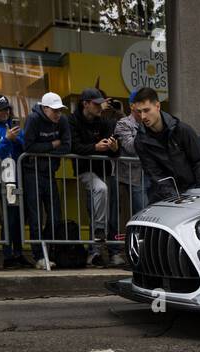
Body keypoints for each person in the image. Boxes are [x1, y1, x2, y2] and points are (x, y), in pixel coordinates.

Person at [71, 87, 124, 266]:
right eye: (96, 104)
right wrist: (95, 147)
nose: (100, 107)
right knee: (99, 192)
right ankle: (97, 240)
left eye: (101, 103)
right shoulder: (72, 120)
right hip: (86, 170)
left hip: (105, 171)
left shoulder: (105, 121)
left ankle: (102, 251)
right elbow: (74, 147)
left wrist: (114, 148)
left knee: (110, 210)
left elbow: (115, 152)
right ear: (85, 104)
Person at [130, 87, 200, 202]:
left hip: (192, 191)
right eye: (139, 111)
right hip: (162, 196)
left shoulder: (183, 130)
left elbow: (199, 163)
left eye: (146, 110)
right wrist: (175, 199)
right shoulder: (140, 141)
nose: (143, 116)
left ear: (158, 106)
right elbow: (155, 174)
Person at [21, 91, 72, 270]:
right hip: (31, 173)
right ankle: (38, 255)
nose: (58, 114)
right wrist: (52, 145)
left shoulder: (63, 121)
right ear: (44, 108)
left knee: (55, 216)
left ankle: (47, 251)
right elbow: (28, 146)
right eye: (54, 110)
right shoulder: (33, 119)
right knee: (35, 217)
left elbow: (67, 146)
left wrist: (45, 151)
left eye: (60, 110)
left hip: (49, 172)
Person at [0, 93, 31, 269]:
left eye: (7, 109)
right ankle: (8, 255)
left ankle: (18, 252)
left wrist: (16, 138)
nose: (5, 113)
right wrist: (8, 140)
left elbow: (26, 146)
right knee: (9, 216)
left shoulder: (13, 125)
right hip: (2, 177)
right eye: (1, 110)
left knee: (18, 216)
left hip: (16, 177)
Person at [113, 97, 148, 222]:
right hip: (133, 175)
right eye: (141, 105)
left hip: (151, 172)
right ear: (132, 106)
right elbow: (131, 147)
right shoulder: (123, 123)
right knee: (143, 211)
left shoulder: (150, 123)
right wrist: (146, 131)